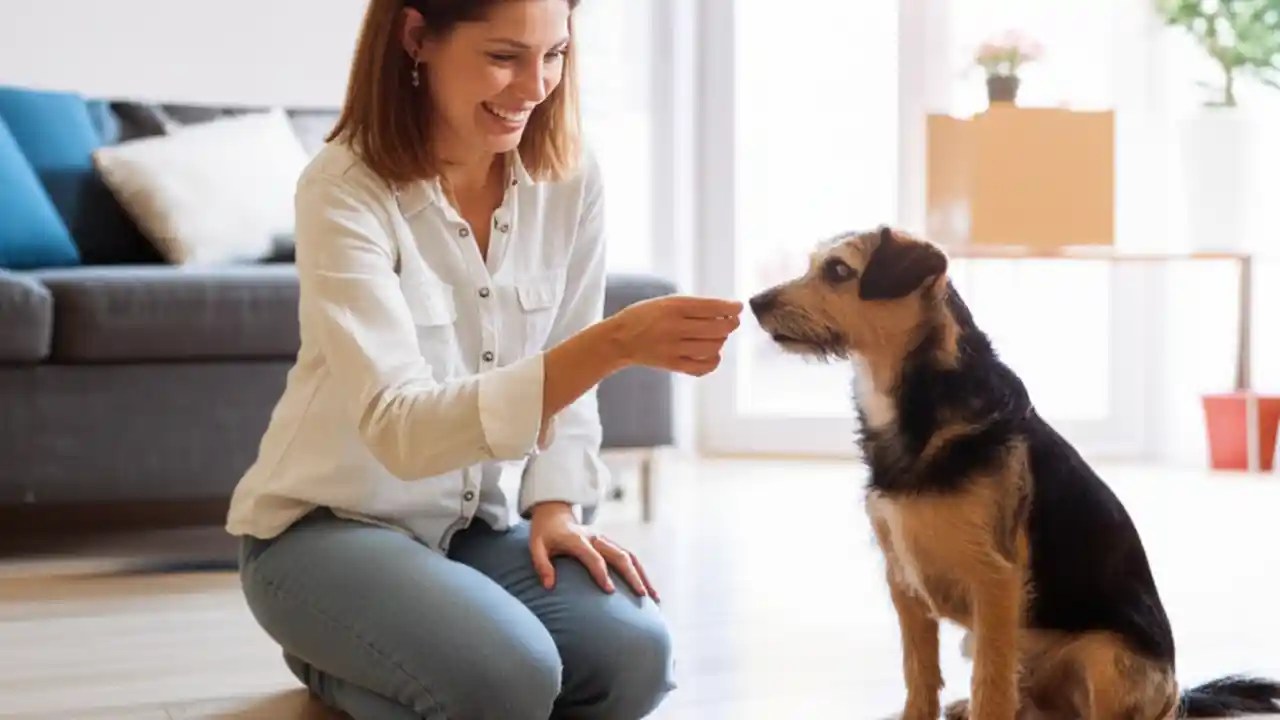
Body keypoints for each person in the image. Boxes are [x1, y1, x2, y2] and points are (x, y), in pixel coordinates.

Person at [225, 0, 742, 718]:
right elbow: (397, 426)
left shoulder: (570, 179)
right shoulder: (343, 190)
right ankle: (332, 661)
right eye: (503, 56)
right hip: (325, 531)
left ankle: (423, 666)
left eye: (554, 54)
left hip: (474, 528)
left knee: (633, 660)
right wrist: (614, 343)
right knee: (511, 679)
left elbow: (571, 388)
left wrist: (557, 505)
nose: (535, 86)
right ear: (416, 38)